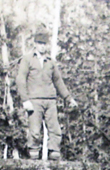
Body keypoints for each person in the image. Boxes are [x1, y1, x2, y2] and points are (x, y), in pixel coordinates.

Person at [16, 31, 77, 160]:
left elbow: (58, 81)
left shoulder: (51, 62)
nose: (42, 46)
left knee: (55, 130)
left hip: (50, 100)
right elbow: (21, 79)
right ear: (35, 44)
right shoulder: (27, 60)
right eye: (40, 43)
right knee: (35, 132)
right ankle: (33, 158)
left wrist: (68, 98)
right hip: (34, 101)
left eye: (44, 44)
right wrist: (25, 100)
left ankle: (54, 155)